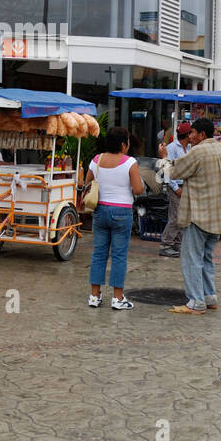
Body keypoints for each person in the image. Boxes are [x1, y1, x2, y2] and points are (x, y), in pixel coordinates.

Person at [159, 118, 221, 315]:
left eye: (192, 133)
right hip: (218, 216)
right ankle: (209, 297)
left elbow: (173, 171)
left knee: (192, 258)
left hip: (198, 215)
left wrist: (164, 157)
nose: (190, 137)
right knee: (206, 257)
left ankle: (196, 301)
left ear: (201, 134)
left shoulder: (198, 151)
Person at [84, 127, 143, 310]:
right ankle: (117, 299)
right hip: (121, 212)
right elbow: (138, 189)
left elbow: (87, 183)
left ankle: (95, 295)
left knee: (99, 253)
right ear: (123, 144)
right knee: (118, 256)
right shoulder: (130, 162)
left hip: (100, 211)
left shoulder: (96, 160)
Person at [158, 122, 192, 258]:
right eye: (191, 133)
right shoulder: (172, 148)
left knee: (183, 217)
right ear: (187, 135)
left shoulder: (189, 148)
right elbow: (167, 169)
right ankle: (166, 244)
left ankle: (177, 243)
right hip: (176, 187)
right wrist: (175, 188)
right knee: (175, 217)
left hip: (185, 186)